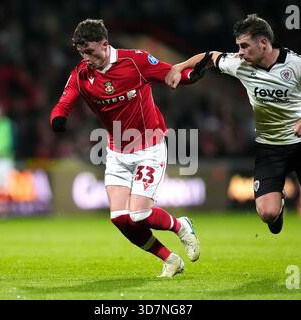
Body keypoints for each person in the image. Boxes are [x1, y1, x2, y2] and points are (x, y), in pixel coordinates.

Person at [166, 14, 301, 280]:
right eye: (239, 46)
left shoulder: (296, 64)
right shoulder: (240, 64)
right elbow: (209, 56)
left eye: (244, 46)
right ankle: (277, 212)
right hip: (269, 149)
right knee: (267, 213)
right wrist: (179, 66)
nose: (240, 52)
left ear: (263, 43)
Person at [50, 18, 200, 277]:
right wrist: (58, 120)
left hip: (149, 147)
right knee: (120, 218)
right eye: (81, 52)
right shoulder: (81, 75)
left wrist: (190, 76)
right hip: (117, 152)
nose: (85, 57)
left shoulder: (135, 61)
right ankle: (170, 259)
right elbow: (62, 105)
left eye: (89, 51)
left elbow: (170, 73)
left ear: (105, 44)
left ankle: (180, 225)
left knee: (139, 214)